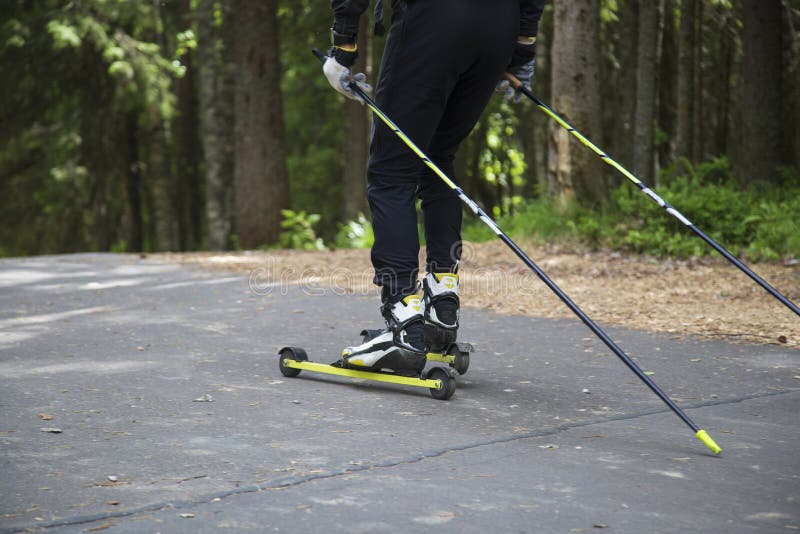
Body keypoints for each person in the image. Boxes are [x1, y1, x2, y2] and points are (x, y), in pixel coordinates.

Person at [323, 0, 545, 374]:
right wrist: (521, 45)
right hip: (497, 25)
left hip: (432, 21)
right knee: (438, 159)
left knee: (392, 170)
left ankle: (404, 321)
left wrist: (343, 46)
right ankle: (442, 307)